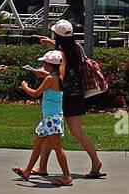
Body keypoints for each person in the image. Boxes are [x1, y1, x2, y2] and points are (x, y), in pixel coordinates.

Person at [39, 19, 105, 179]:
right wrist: (53, 45)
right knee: (64, 131)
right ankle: (41, 167)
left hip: (65, 96)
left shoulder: (61, 53)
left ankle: (42, 167)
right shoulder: (77, 47)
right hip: (77, 94)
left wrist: (45, 75)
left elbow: (60, 74)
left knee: (56, 131)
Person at [13, 49, 73, 186]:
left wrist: (24, 87)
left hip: (52, 118)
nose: (44, 66)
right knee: (37, 144)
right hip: (50, 118)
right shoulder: (58, 76)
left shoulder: (49, 79)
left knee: (58, 148)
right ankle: (27, 170)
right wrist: (44, 73)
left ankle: (67, 176)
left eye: (45, 64)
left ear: (49, 65)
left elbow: (35, 93)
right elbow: (52, 78)